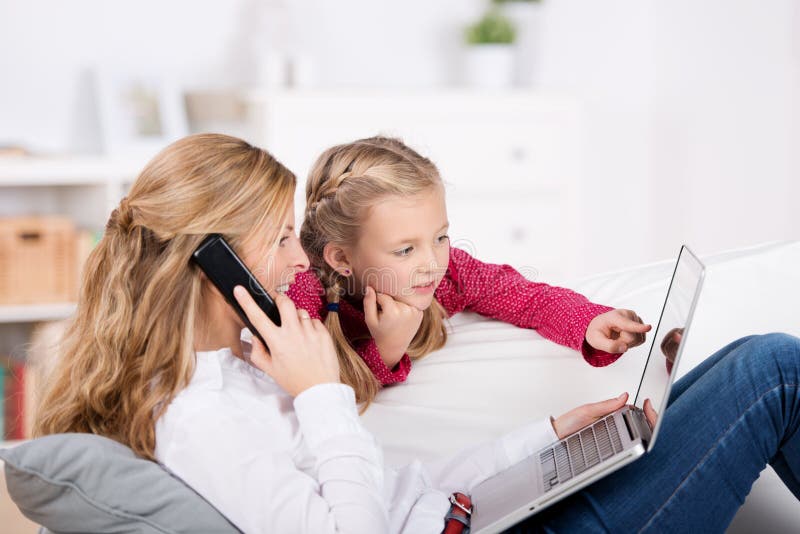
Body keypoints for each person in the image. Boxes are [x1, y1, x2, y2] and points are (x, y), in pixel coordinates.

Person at [34, 133, 800, 533]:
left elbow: (390, 491)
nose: (298, 258)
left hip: (479, 512)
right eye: (280, 239)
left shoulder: (242, 366)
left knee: (746, 364)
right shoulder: (200, 420)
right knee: (772, 372)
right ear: (214, 264)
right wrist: (324, 393)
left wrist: (543, 443)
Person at [287, 136, 652, 405]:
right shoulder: (302, 296)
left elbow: (526, 298)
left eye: (440, 237)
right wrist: (387, 348)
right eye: (405, 249)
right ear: (341, 258)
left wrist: (589, 321)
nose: (432, 263)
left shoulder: (447, 275)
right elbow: (324, 398)